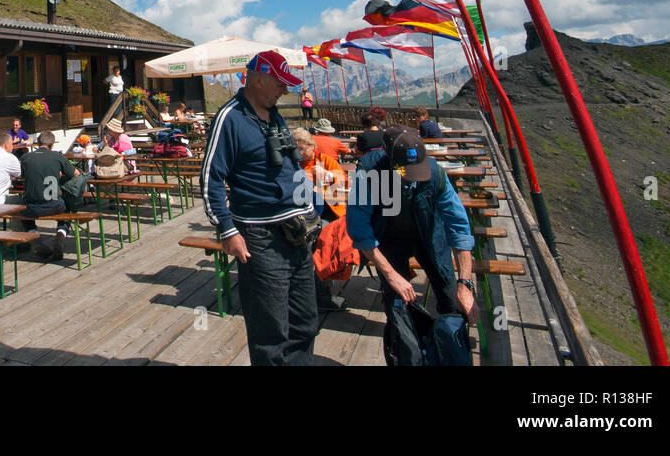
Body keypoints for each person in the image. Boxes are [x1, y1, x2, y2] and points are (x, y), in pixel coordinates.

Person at [202, 51, 318, 365]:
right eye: (280, 83)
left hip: (297, 232)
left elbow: (290, 167)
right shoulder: (230, 117)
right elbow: (211, 177)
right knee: (271, 330)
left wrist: (309, 207)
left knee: (305, 320)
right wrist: (227, 230)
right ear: (257, 78)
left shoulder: (273, 113)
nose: (284, 89)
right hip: (259, 237)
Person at [346, 126, 478, 365]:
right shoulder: (369, 173)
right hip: (388, 237)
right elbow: (360, 230)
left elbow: (458, 227)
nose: (413, 175)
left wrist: (466, 284)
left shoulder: (436, 174)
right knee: (396, 301)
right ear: (390, 160)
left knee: (451, 297)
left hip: (429, 232)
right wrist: (392, 276)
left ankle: (451, 352)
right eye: (405, 171)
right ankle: (406, 354)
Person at [293, 128, 348, 314]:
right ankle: (305, 293)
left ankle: (322, 294)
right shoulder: (291, 163)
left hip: (327, 212)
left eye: (303, 148)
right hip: (299, 213)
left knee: (320, 244)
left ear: (312, 146)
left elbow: (345, 183)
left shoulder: (324, 160)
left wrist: (327, 176)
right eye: (296, 149)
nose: (300, 153)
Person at [17, 131, 79, 259]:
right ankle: (60, 235)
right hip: (54, 205)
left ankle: (34, 237)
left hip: (31, 207)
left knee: (22, 211)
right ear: (52, 145)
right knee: (67, 208)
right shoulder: (57, 156)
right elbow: (75, 174)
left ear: (38, 143)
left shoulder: (25, 158)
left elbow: (22, 176)